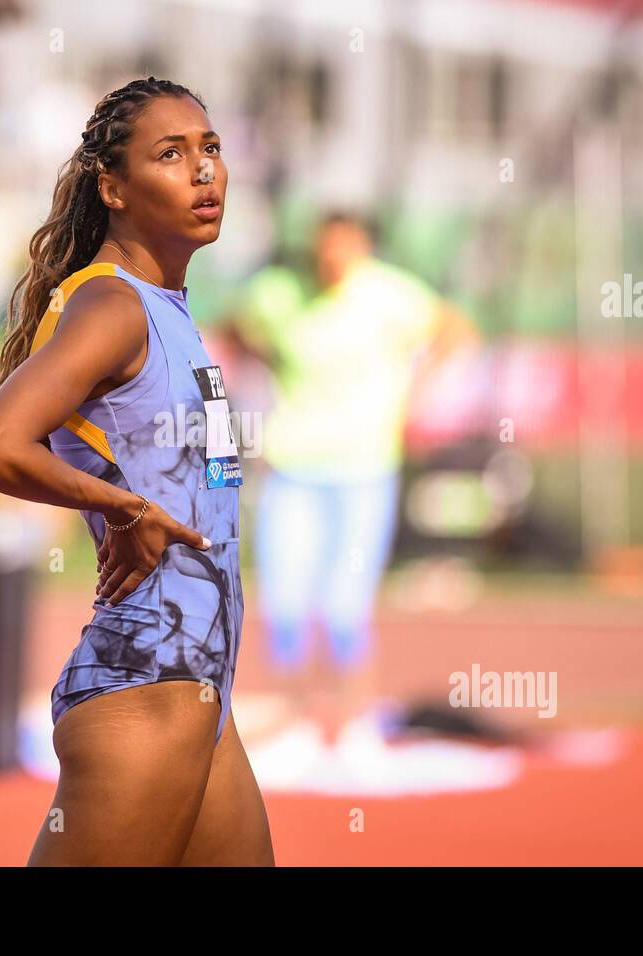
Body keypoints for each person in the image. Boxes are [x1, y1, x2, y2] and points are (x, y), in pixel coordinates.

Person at [0, 77, 273, 866]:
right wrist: (123, 509)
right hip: (144, 690)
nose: (204, 172)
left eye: (211, 149)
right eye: (170, 155)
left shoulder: (167, 307)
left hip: (201, 697)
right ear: (113, 188)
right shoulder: (114, 309)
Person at [230, 211, 479, 774]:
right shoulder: (279, 293)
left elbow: (457, 330)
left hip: (364, 469)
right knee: (287, 603)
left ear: (363, 250)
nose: (334, 263)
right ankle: (295, 721)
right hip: (293, 467)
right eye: (327, 252)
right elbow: (237, 327)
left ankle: (356, 723)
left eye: (346, 252)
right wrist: (264, 375)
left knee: (344, 606)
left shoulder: (390, 296)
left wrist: (414, 398)